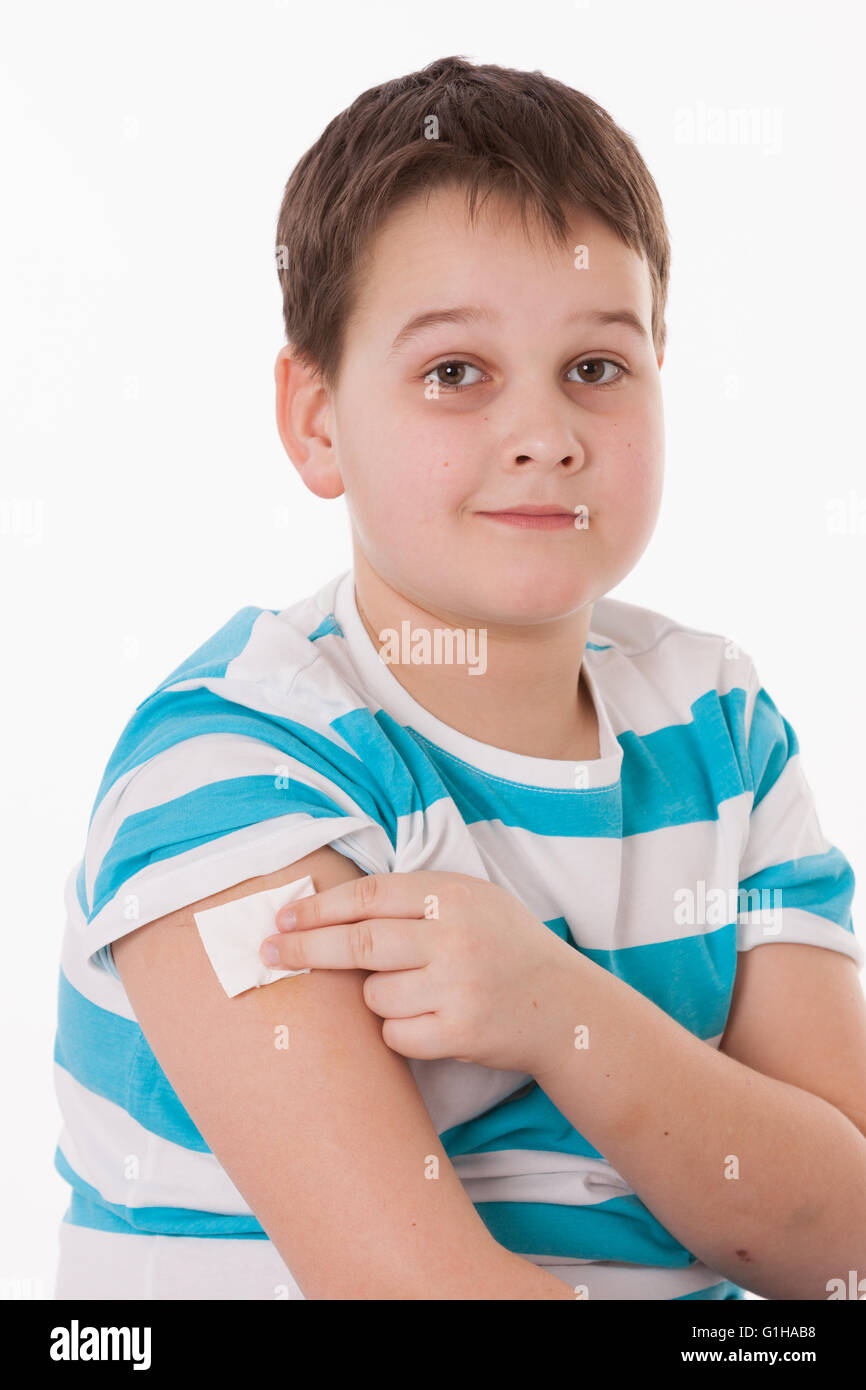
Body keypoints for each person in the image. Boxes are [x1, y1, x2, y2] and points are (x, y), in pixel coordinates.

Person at [52, 54, 866, 1301]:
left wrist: (554, 1006)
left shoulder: (720, 725)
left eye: (595, 366)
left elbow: (844, 1243)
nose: (543, 431)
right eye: (453, 373)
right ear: (316, 421)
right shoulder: (232, 767)